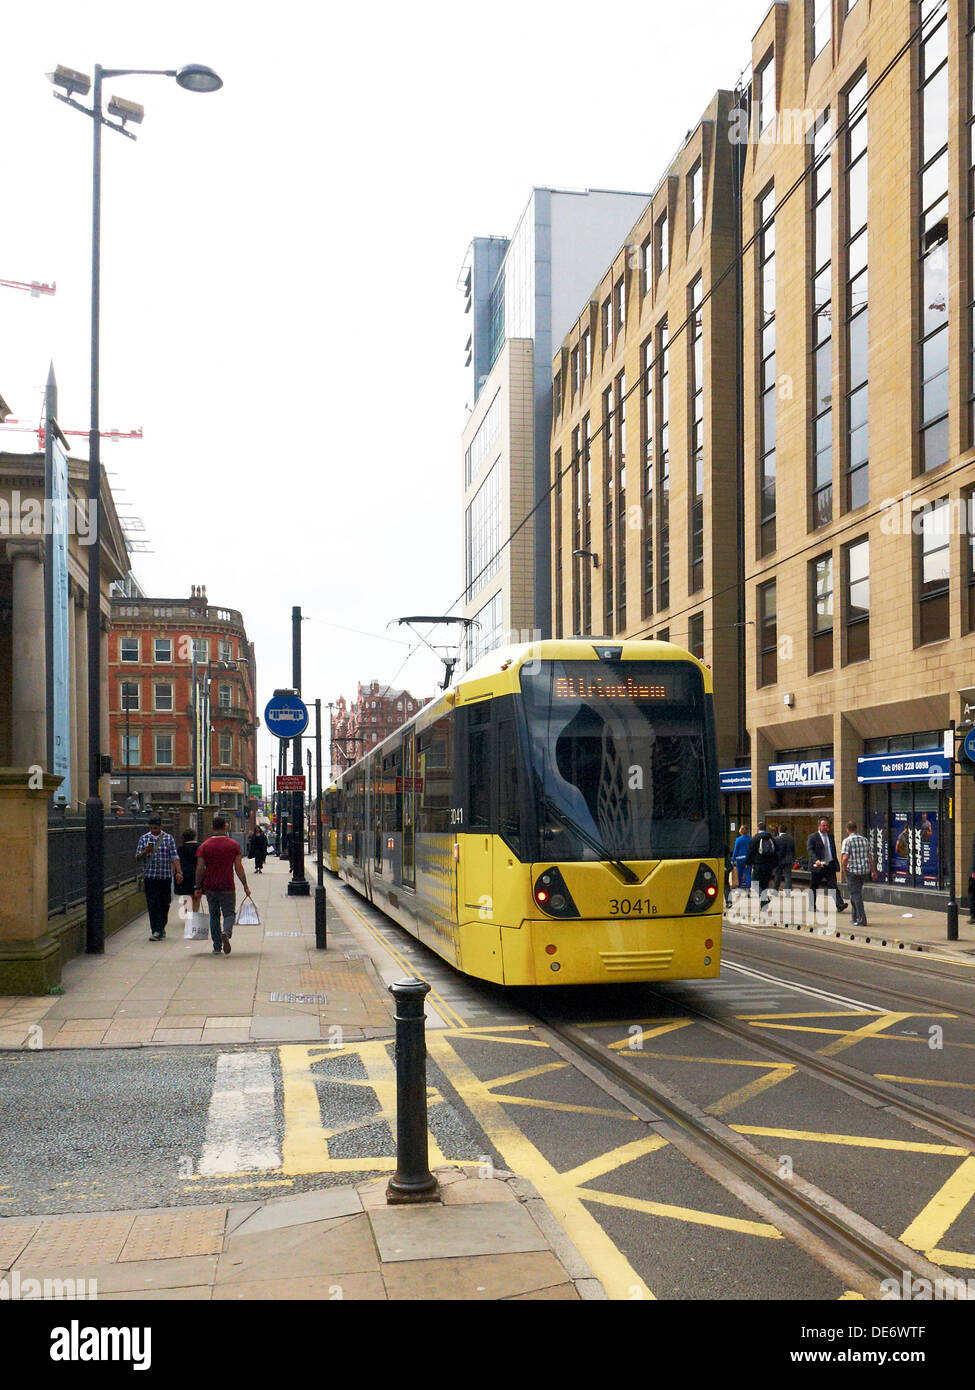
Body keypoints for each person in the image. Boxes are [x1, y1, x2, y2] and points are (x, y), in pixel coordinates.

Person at [195, 816, 251, 955]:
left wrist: (197, 886)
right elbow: (238, 867)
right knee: (229, 913)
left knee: (214, 915)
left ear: (212, 828)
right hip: (227, 885)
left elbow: (200, 868)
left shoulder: (204, 846)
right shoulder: (233, 845)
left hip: (210, 886)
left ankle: (216, 946)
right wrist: (245, 885)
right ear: (226, 827)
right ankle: (226, 932)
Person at [136, 814, 182, 941]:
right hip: (150, 876)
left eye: (155, 828)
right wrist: (146, 851)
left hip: (165, 876)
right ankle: (156, 930)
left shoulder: (168, 838)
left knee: (164, 903)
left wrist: (179, 872)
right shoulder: (144, 839)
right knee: (152, 904)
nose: (153, 830)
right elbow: (137, 857)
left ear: (161, 826)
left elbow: (174, 856)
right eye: (151, 828)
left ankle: (161, 926)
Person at [807, 818, 847, 915]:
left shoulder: (830, 837)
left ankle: (839, 904)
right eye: (823, 826)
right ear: (819, 826)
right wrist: (816, 859)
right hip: (818, 865)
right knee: (814, 886)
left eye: (827, 826)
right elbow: (810, 850)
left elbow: (832, 850)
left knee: (833, 885)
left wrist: (835, 862)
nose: (826, 828)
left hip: (829, 865)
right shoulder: (813, 837)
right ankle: (812, 906)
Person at [840, 820, 876, 928]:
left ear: (847, 830)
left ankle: (862, 919)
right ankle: (854, 917)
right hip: (864, 871)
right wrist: (873, 871)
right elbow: (870, 857)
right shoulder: (865, 840)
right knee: (855, 893)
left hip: (853, 871)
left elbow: (845, 858)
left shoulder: (847, 841)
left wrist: (844, 868)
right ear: (856, 829)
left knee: (856, 895)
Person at [745, 822, 779, 918]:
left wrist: (748, 863)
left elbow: (750, 851)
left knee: (754, 884)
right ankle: (763, 905)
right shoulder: (771, 838)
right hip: (769, 866)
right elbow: (777, 851)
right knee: (764, 885)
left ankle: (764, 901)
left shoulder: (755, 838)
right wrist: (775, 864)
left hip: (758, 865)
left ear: (758, 828)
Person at [176, 827, 200, 918]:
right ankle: (195, 914)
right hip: (197, 873)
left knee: (187, 895)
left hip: (184, 873)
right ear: (194, 836)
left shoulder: (180, 848)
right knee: (197, 896)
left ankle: (188, 913)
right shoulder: (200, 846)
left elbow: (176, 861)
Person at [773, 824, 796, 893]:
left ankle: (775, 890)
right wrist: (793, 859)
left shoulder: (776, 839)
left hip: (779, 860)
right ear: (786, 830)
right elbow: (793, 850)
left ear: (778, 830)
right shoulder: (791, 839)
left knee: (777, 876)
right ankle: (788, 892)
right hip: (788, 860)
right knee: (788, 876)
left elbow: (775, 850)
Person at [731, 826, 751, 894]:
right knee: (748, 874)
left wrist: (732, 859)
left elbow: (735, 850)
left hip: (740, 859)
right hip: (748, 858)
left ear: (740, 831)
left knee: (739, 874)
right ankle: (748, 889)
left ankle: (739, 888)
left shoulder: (738, 839)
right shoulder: (750, 839)